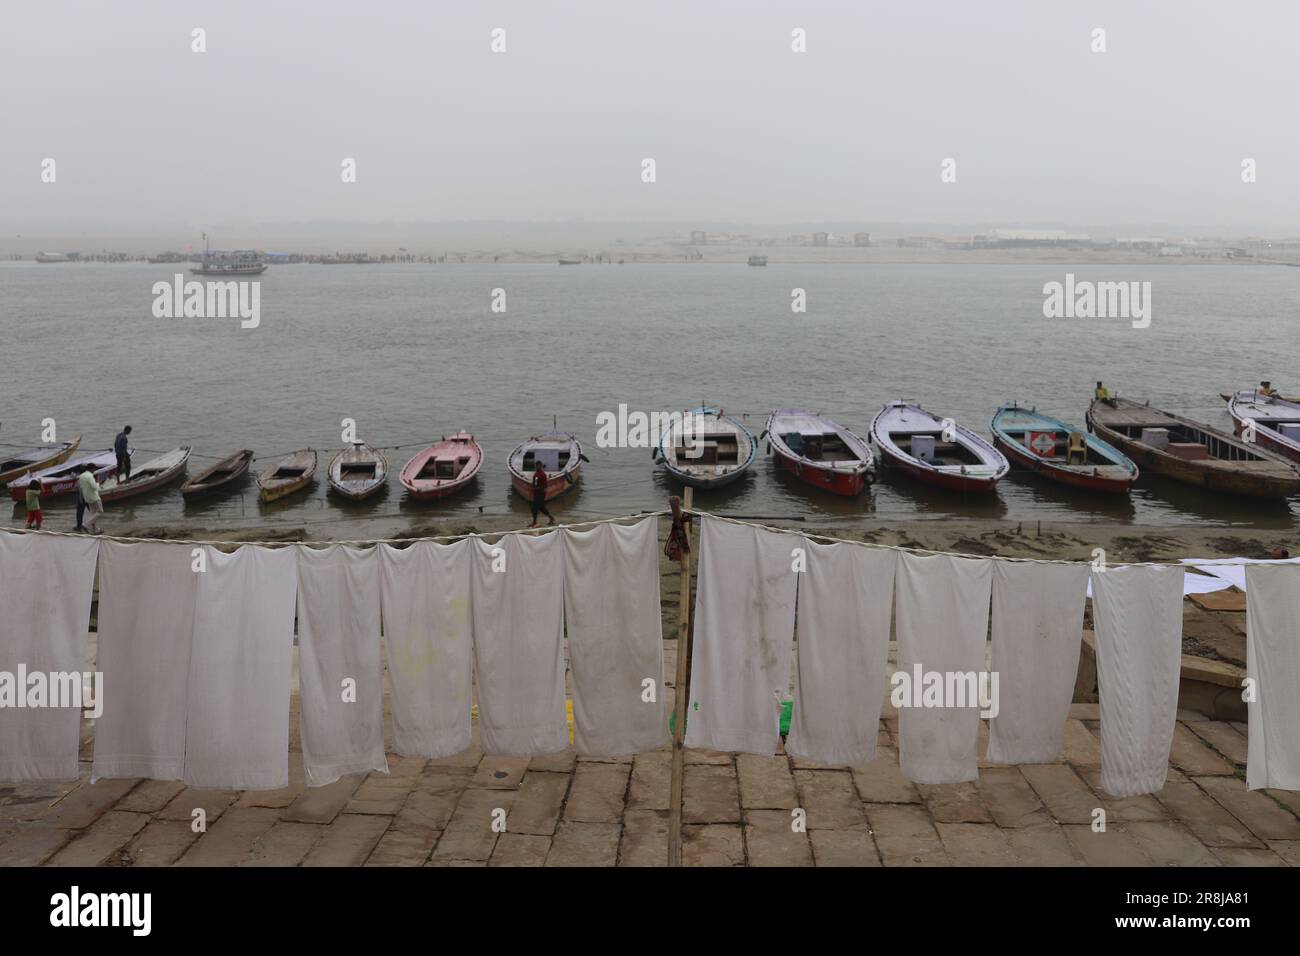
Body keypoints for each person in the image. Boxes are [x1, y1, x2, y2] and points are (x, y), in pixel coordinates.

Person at [75, 464, 104, 534]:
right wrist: (98, 483)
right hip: (94, 497)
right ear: (91, 469)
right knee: (100, 512)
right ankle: (85, 525)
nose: (94, 471)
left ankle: (95, 529)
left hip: (86, 498)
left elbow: (79, 486)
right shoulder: (90, 476)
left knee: (93, 513)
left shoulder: (81, 476)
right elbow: (94, 487)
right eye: (94, 469)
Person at [528, 461, 555, 528]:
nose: (537, 467)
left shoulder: (543, 474)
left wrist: (535, 489)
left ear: (541, 466)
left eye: (539, 466)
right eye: (536, 466)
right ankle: (551, 518)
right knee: (541, 507)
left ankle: (534, 522)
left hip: (541, 493)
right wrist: (532, 486)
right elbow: (535, 483)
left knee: (534, 508)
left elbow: (545, 485)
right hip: (536, 493)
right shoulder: (536, 473)